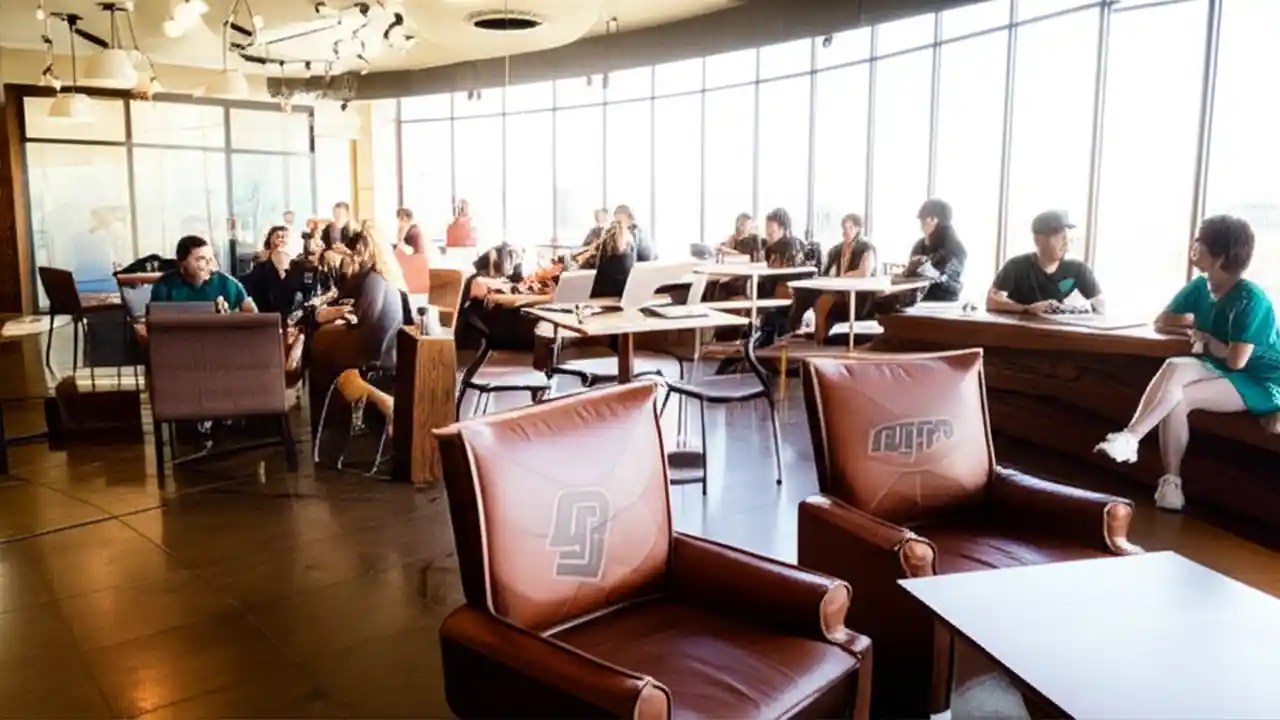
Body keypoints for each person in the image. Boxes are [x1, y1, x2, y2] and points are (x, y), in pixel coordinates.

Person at [1094, 216, 1280, 512]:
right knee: (1174, 366)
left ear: (1219, 256)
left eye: (1200, 243)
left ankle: (1137, 445)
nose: (1193, 247)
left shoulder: (1251, 299)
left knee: (1180, 397)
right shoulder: (1201, 287)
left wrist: (1203, 337)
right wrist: (1193, 326)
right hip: (1217, 363)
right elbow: (1163, 321)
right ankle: (1150, 461)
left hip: (1261, 379)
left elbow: (1237, 359)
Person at [988, 210, 1105, 315]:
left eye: (1066, 236)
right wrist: (1026, 309)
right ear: (1038, 240)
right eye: (1057, 236)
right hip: (1020, 331)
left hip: (1059, 332)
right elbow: (992, 301)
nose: (1065, 242)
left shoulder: (1078, 269)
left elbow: (1100, 305)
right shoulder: (1016, 266)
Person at [150, 235, 256, 312]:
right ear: (182, 264)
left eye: (211, 258)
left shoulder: (228, 284)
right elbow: (154, 325)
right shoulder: (165, 286)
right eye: (201, 259)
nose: (209, 264)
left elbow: (254, 316)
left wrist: (230, 316)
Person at [908, 198, 966, 302]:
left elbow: (950, 279)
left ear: (935, 219)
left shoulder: (954, 247)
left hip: (944, 301)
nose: (922, 225)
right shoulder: (920, 245)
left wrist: (930, 273)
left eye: (924, 220)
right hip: (919, 300)